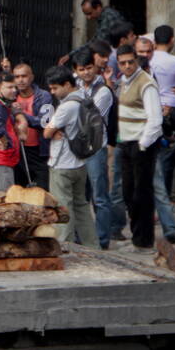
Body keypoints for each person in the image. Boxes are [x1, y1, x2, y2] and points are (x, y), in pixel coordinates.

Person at [70, 47, 124, 250]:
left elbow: (89, 116)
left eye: (89, 68)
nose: (86, 73)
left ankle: (102, 239)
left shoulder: (104, 91)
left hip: (95, 149)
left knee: (99, 196)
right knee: (79, 196)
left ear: (95, 67)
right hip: (76, 150)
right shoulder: (75, 86)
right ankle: (80, 236)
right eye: (82, 69)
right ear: (76, 70)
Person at [41, 65, 100, 248]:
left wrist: (53, 129)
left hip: (62, 164)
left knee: (64, 208)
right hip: (79, 162)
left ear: (67, 84)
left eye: (55, 88)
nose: (52, 92)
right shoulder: (84, 96)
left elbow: (46, 133)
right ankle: (92, 246)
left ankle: (65, 246)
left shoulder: (67, 106)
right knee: (82, 207)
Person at [115, 42, 162, 254]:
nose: (127, 66)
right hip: (125, 142)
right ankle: (136, 236)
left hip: (141, 145)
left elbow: (155, 119)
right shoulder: (123, 81)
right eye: (123, 63)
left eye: (130, 62)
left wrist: (142, 144)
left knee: (141, 193)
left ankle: (144, 241)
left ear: (136, 60)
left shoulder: (146, 83)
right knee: (128, 192)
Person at [146, 25, 175, 243]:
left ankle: (162, 218)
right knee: (166, 161)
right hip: (171, 111)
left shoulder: (150, 60)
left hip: (157, 114)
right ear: (172, 40)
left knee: (157, 169)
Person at [10, 62, 52, 189]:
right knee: (18, 189)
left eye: (24, 76)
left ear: (31, 77)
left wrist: (20, 113)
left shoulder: (43, 96)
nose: (20, 80)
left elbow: (44, 122)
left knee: (43, 188)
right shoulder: (11, 96)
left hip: (39, 150)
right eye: (17, 77)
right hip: (17, 149)